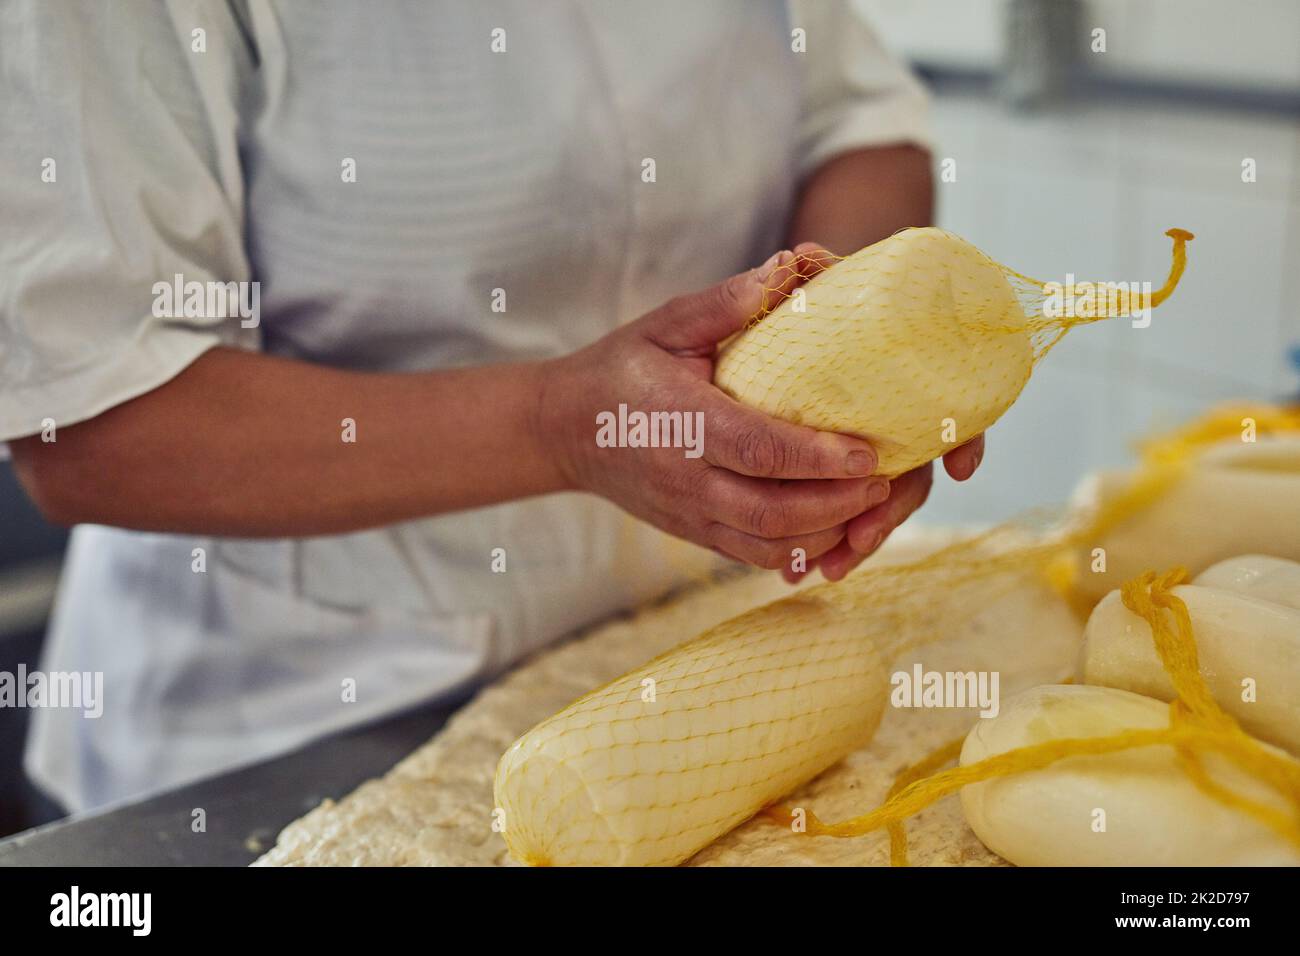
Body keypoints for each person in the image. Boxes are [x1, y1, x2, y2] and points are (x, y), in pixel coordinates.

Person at [0, 0, 982, 813]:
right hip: (282, 718)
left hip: (678, 665)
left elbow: (857, 125)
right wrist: (559, 424)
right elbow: (93, 424)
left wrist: (843, 347)